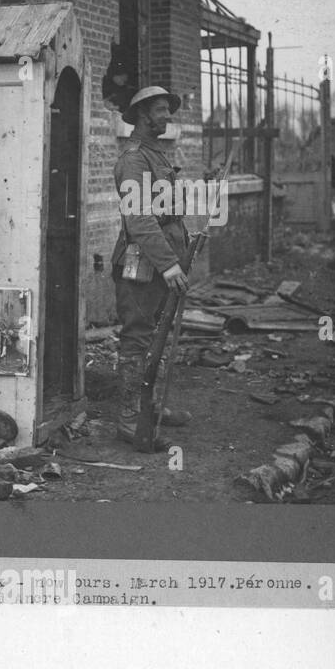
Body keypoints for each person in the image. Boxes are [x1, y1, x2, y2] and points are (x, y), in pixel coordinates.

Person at [111, 86, 193, 444]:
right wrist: (169, 265)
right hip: (143, 265)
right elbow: (140, 220)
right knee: (137, 338)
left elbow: (169, 213)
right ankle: (129, 419)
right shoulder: (134, 159)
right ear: (144, 113)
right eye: (161, 110)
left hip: (164, 261)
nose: (167, 116)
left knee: (156, 335)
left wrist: (180, 254)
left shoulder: (156, 155)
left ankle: (150, 405)